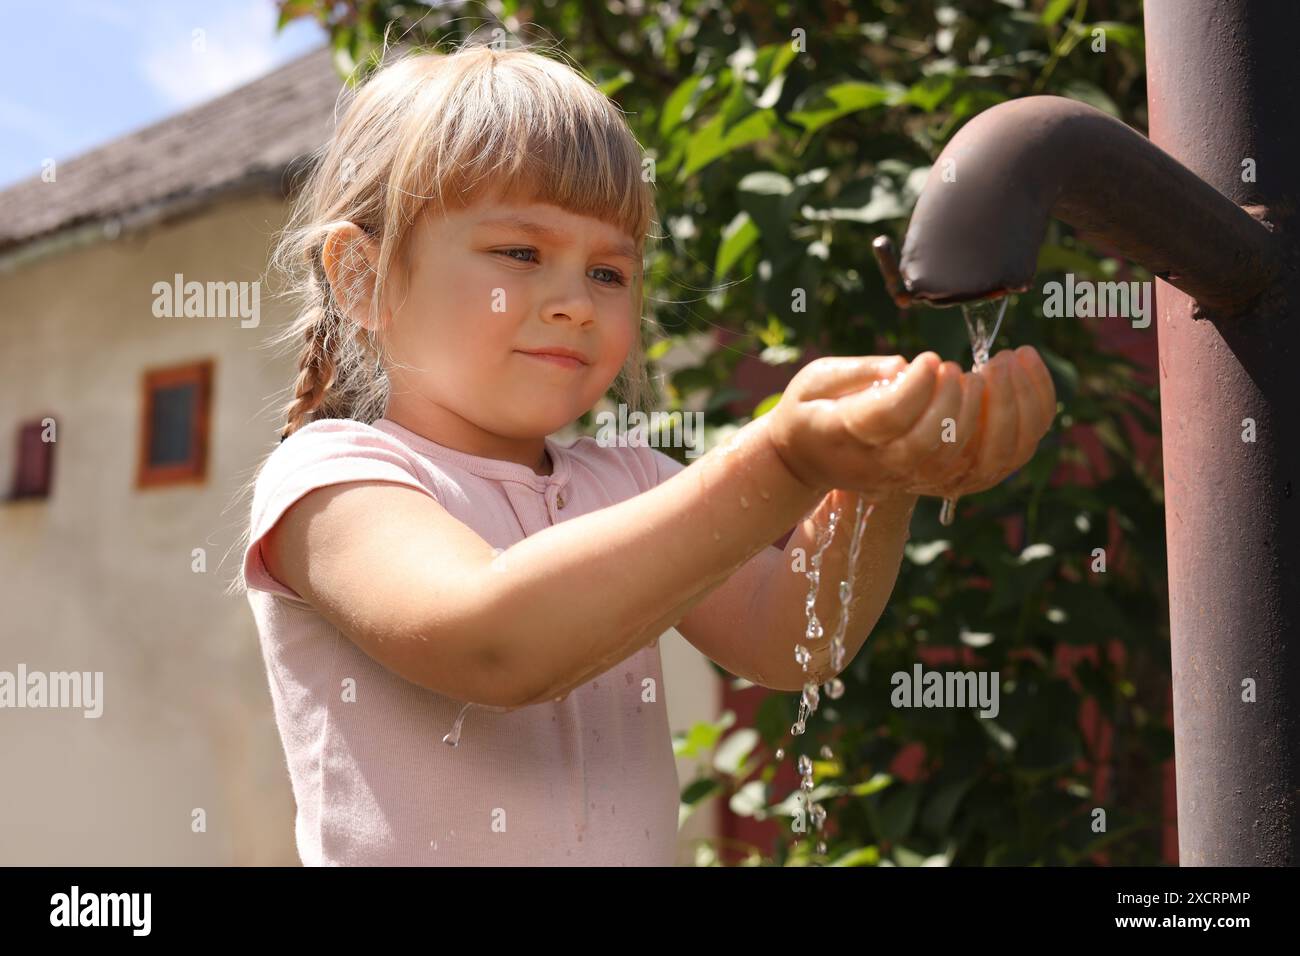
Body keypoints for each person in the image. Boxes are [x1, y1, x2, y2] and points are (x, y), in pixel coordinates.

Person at [233, 40, 1056, 866]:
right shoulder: (331, 480)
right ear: (360, 278)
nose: (574, 305)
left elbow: (794, 640)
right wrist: (784, 463)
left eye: (608, 272)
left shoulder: (625, 478)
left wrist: (876, 480)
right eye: (521, 254)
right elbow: (494, 641)